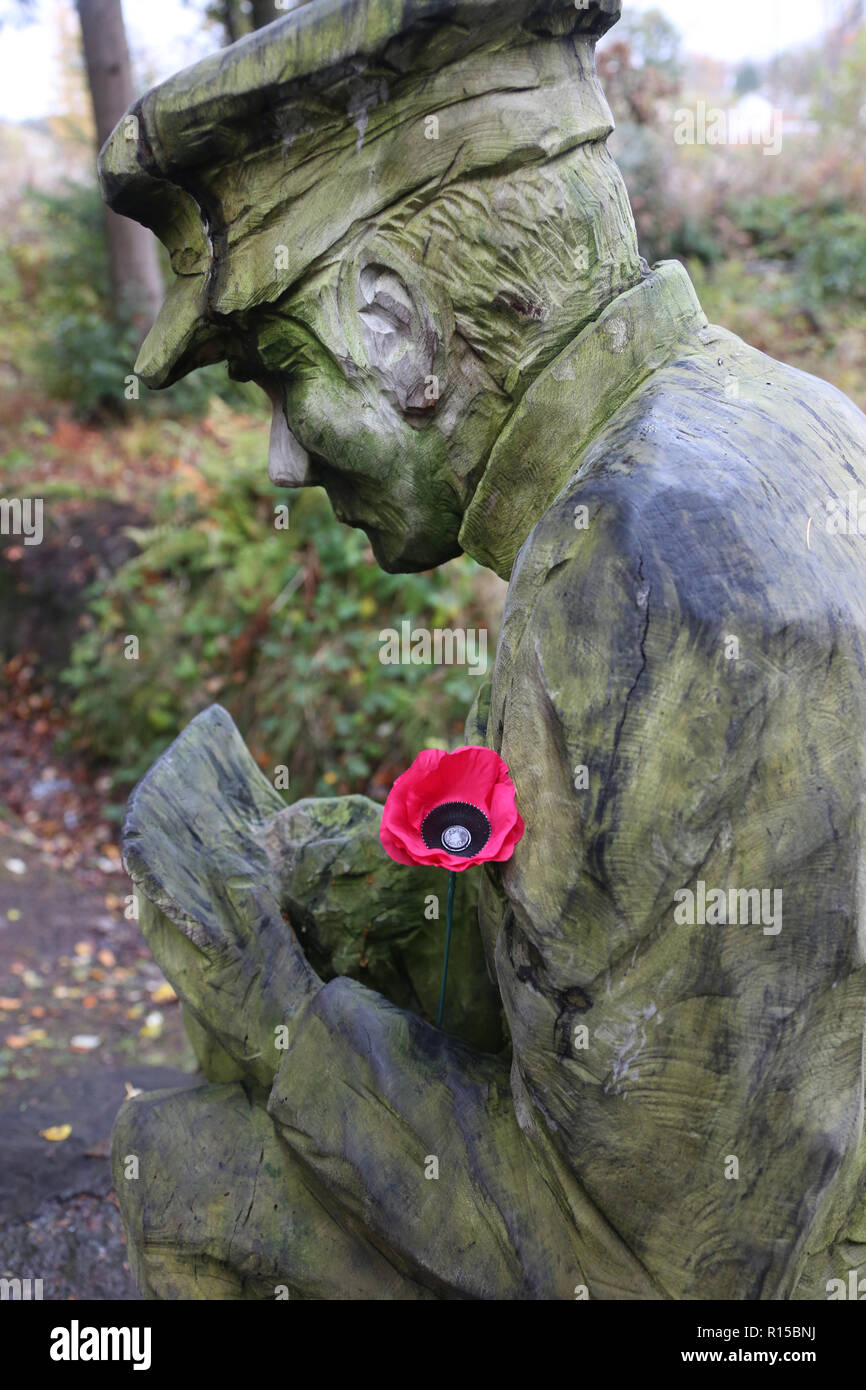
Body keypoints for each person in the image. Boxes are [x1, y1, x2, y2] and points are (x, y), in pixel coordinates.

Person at [102, 0, 866, 1299]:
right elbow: (667, 947)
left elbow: (626, 1269)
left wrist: (267, 998)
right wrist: (383, 894)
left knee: (175, 1169)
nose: (283, 460)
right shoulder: (775, 413)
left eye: (281, 377)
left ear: (395, 329)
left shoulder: (635, 563)